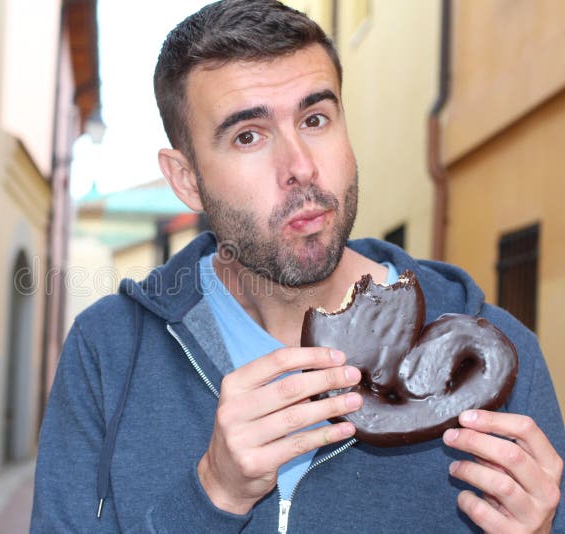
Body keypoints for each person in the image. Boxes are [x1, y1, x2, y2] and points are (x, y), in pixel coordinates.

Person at [30, 1, 564, 531]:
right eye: (248, 135)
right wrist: (214, 494)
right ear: (186, 179)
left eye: (315, 119)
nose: (301, 167)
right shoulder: (108, 353)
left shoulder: (496, 365)